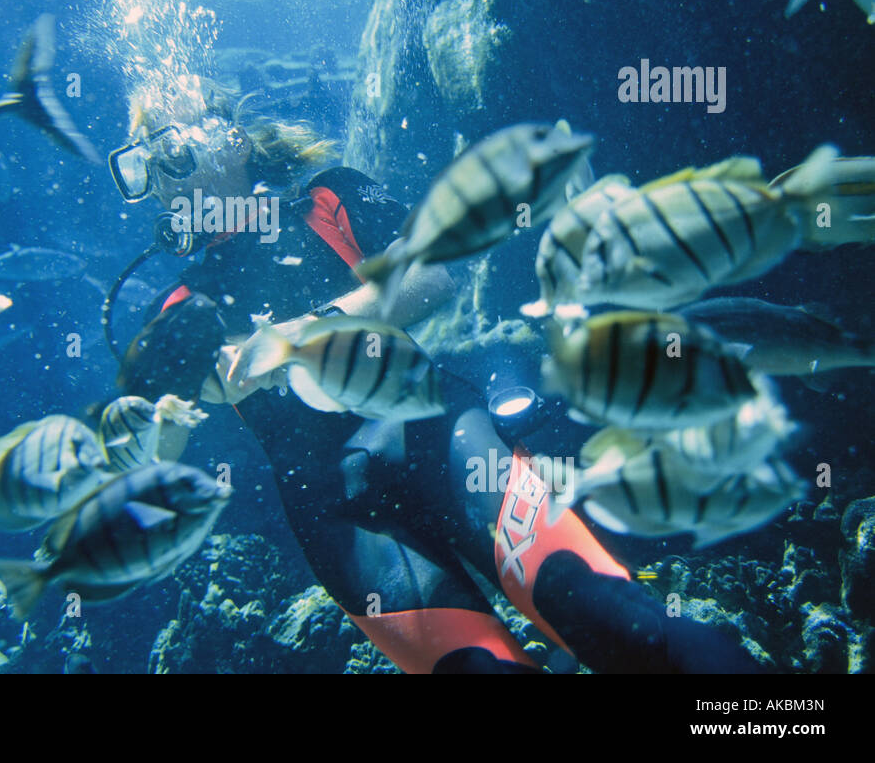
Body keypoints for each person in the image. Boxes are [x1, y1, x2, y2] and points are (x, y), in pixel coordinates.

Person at [106, 92, 761, 674]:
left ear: (232, 139)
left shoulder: (328, 196)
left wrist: (299, 334)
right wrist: (151, 432)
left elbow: (433, 278)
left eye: (171, 153)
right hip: (338, 516)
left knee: (607, 610)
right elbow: (163, 441)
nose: (162, 183)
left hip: (439, 435)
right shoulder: (175, 309)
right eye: (140, 169)